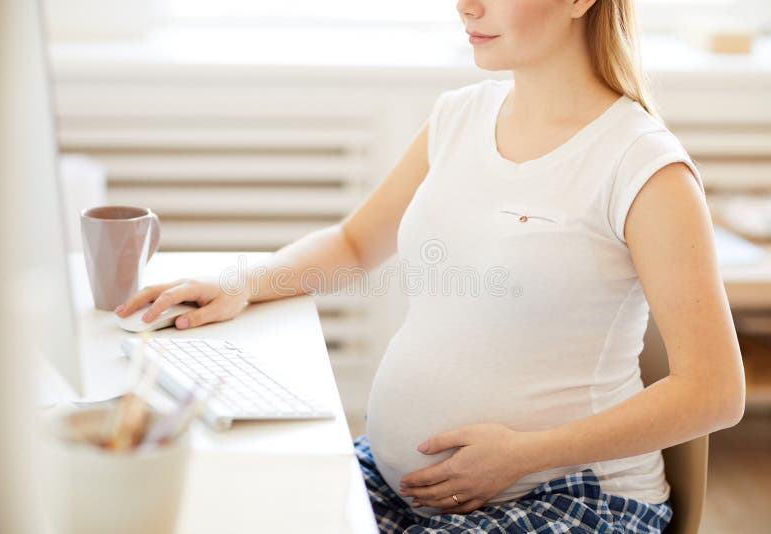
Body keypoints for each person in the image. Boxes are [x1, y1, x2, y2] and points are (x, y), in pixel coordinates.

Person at [116, 0, 746, 531]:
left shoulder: (643, 166)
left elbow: (714, 393)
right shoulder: (459, 116)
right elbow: (356, 242)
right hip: (410, 485)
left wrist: (523, 455)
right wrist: (243, 284)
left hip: (568, 496)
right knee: (232, 509)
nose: (466, 4)